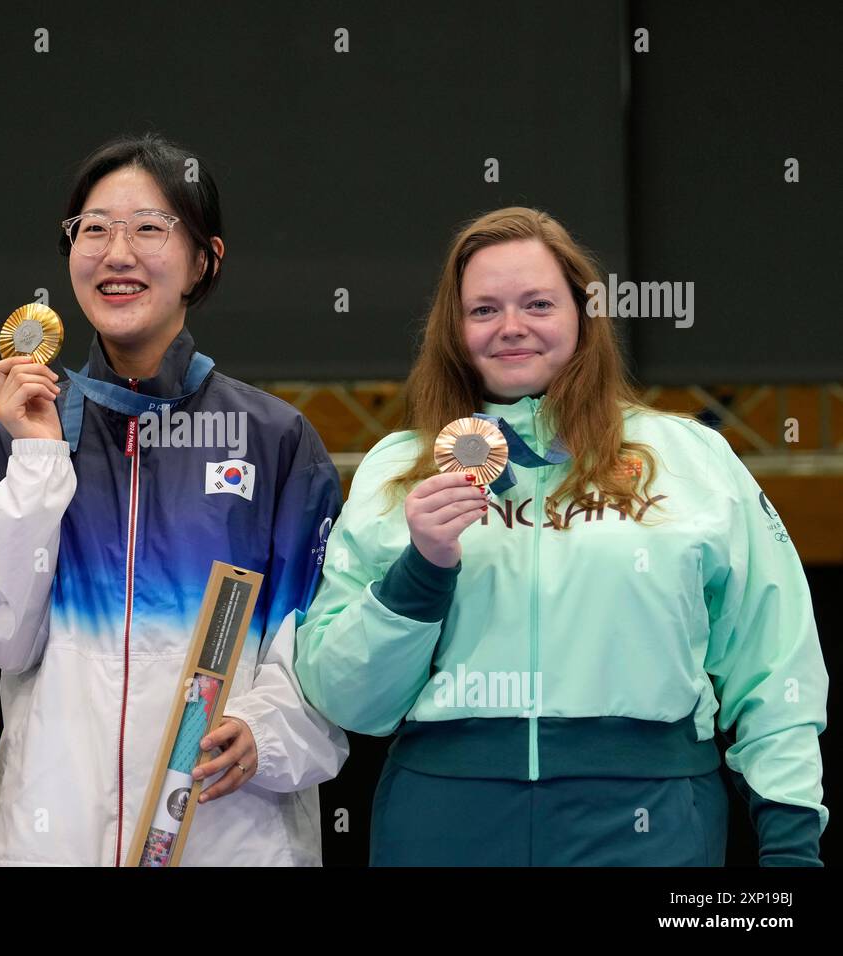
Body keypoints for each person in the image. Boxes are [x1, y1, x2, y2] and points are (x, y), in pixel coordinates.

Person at [295, 207, 828, 866]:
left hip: (648, 819)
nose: (512, 326)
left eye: (538, 303)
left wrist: (792, 837)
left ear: (583, 314)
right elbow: (344, 696)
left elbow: (775, 660)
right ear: (454, 330)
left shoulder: (693, 458)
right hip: (446, 818)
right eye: (483, 309)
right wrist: (422, 572)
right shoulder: (400, 467)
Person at [0, 133, 348, 865]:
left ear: (202, 260)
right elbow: (5, 637)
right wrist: (36, 455)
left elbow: (322, 645)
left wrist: (267, 732)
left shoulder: (275, 439)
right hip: (52, 834)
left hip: (228, 831)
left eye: (150, 228)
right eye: (94, 229)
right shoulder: (15, 430)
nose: (117, 253)